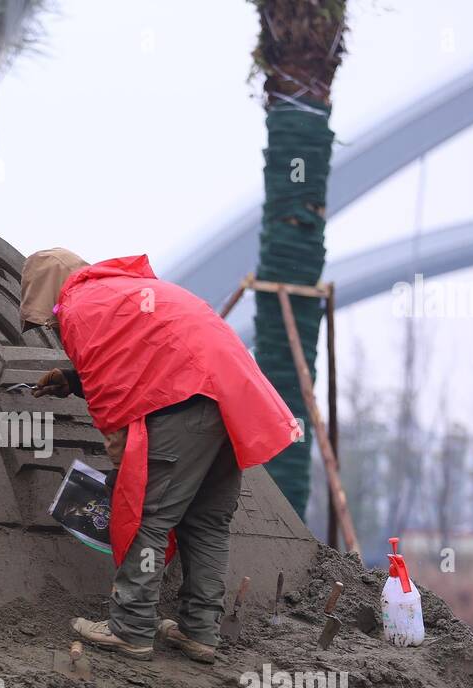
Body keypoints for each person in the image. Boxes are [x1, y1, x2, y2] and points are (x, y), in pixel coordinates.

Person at [20, 248, 297, 663]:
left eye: (48, 318)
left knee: (148, 515)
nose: (54, 324)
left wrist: (124, 475)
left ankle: (130, 627)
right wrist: (74, 381)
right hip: (229, 400)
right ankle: (200, 631)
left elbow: (111, 400)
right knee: (207, 521)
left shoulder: (77, 306)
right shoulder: (122, 290)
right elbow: (147, 355)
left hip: (184, 401)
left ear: (47, 291)